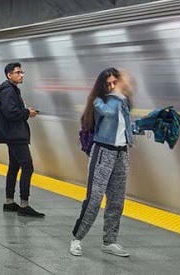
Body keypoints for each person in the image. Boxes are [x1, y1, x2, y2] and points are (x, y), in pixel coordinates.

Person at [71, 68, 136, 257]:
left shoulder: (123, 101)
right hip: (102, 152)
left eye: (115, 82)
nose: (112, 86)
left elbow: (126, 126)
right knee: (94, 199)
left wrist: (151, 123)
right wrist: (120, 91)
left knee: (117, 201)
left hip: (121, 154)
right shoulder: (101, 102)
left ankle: (110, 241)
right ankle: (76, 238)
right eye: (108, 84)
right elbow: (108, 113)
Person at [0, 61, 42, 216]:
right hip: (15, 135)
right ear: (9, 75)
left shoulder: (11, 89)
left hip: (13, 134)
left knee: (14, 167)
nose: (21, 75)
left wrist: (26, 111)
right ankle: (24, 205)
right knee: (27, 166)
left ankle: (9, 202)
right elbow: (11, 112)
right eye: (18, 72)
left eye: (22, 72)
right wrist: (27, 113)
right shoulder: (8, 91)